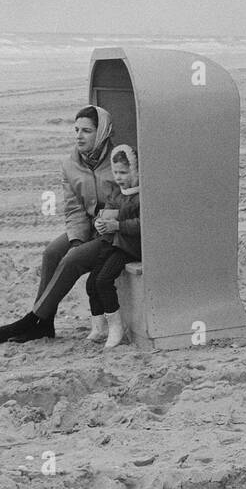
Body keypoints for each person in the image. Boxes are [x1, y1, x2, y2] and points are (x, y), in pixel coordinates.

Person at [0, 105, 118, 344]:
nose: (79, 136)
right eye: (76, 129)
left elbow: (129, 200)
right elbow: (74, 207)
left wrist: (106, 223)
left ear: (101, 133)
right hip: (90, 227)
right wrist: (77, 239)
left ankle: (33, 318)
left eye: (87, 131)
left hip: (114, 233)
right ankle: (45, 324)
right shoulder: (71, 163)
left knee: (72, 260)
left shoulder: (118, 159)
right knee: (52, 253)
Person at [86, 144, 142, 349]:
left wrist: (117, 225)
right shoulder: (118, 193)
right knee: (92, 282)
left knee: (103, 280)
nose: (119, 177)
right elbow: (108, 211)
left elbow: (142, 224)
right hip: (115, 242)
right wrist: (101, 223)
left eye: (124, 172)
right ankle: (99, 326)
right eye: (116, 172)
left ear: (135, 171)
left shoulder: (140, 196)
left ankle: (116, 327)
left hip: (130, 247)